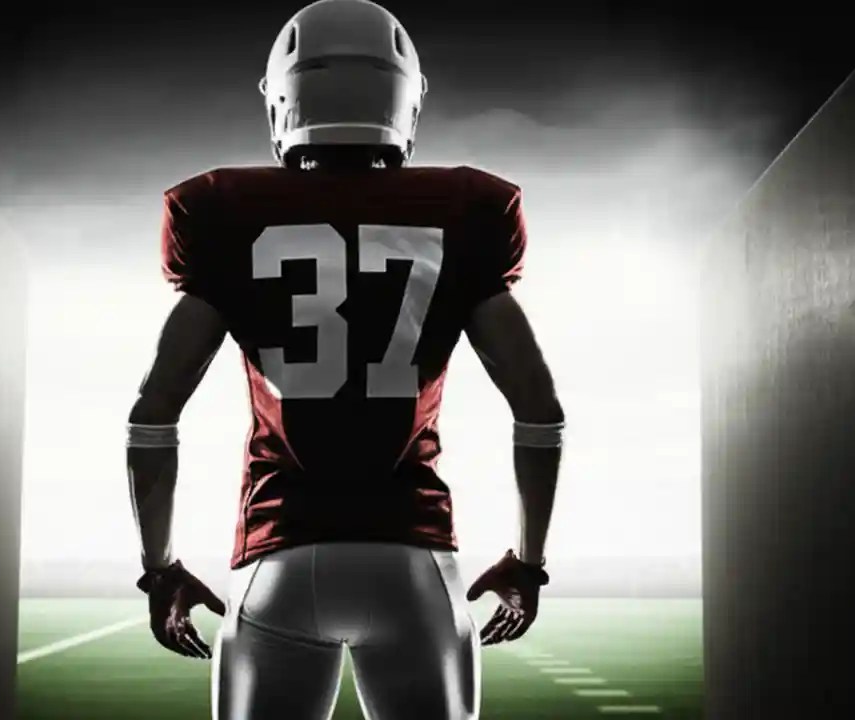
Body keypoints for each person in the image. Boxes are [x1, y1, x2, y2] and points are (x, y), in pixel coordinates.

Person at [126, 1, 565, 718]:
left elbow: (152, 418)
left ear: (281, 104)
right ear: (405, 103)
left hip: (279, 555)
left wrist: (158, 570)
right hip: (411, 557)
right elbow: (540, 412)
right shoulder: (464, 212)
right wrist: (529, 563)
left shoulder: (225, 212)